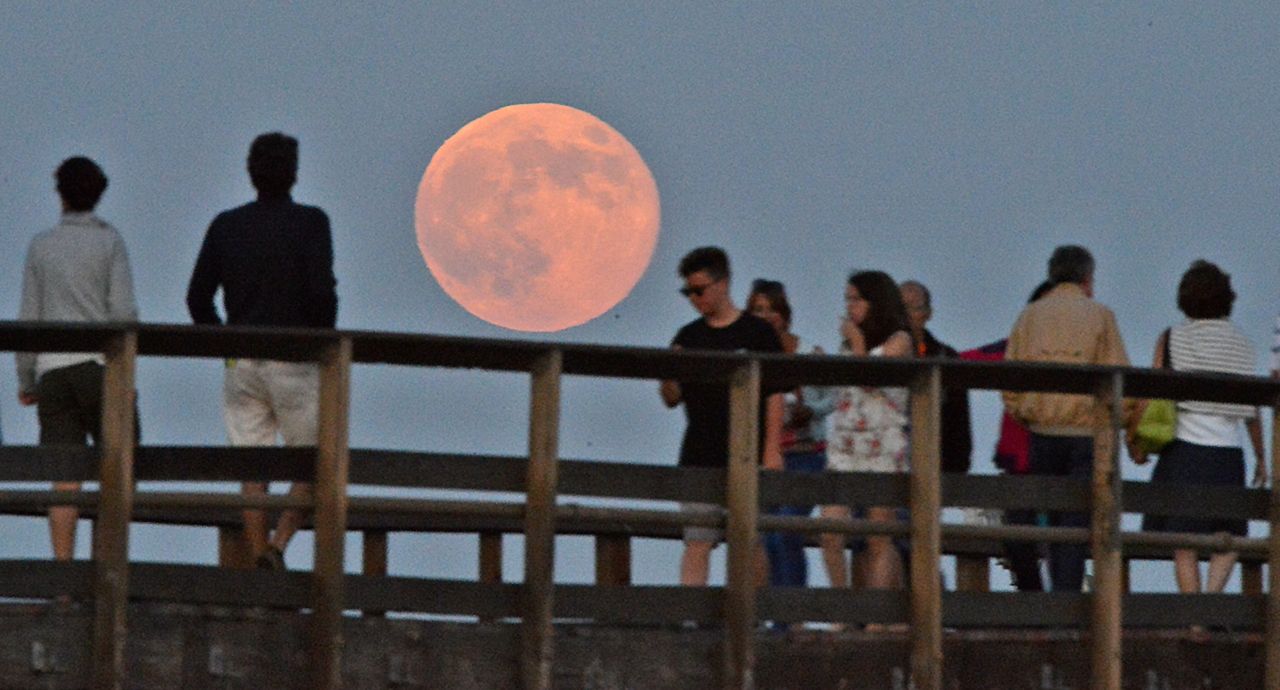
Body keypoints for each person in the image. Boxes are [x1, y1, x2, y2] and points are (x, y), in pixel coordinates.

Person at [186, 132, 338, 570]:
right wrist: (320, 339)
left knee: (252, 468)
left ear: (250, 172)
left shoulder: (226, 225)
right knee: (313, 461)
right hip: (297, 356)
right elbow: (321, 292)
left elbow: (198, 298)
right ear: (293, 173)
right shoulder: (312, 223)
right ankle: (278, 545)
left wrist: (223, 341)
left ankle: (255, 555)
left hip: (241, 360)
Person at [17, 156, 139, 561]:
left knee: (63, 479)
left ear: (60, 194)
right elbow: (123, 314)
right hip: (100, 367)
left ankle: (63, 578)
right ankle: (108, 568)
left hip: (52, 371)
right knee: (117, 469)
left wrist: (26, 380)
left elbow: (29, 317)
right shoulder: (110, 242)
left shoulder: (42, 245)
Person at [1002, 245, 1137, 592]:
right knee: (1075, 524)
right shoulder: (1100, 316)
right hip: (1086, 434)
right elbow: (1119, 377)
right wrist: (1120, 424)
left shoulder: (1029, 316)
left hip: (1040, 432)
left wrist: (1027, 412)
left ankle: (1037, 598)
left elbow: (1009, 379)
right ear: (1088, 278)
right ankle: (1066, 602)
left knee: (1040, 519)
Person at [1135, 260, 1266, 594]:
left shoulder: (1172, 337)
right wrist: (1261, 457)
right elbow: (1252, 410)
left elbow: (1152, 391)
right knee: (1231, 538)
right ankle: (1211, 601)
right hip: (1228, 453)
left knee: (1184, 542)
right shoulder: (1242, 345)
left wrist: (1136, 438)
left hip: (1184, 452)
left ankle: (1195, 618)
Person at [660, 247, 784, 587]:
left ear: (722, 283)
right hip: (699, 452)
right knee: (698, 539)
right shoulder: (688, 337)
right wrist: (670, 372)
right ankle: (693, 621)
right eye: (688, 292)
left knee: (749, 539)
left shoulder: (758, 334)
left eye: (699, 290)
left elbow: (775, 392)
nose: (694, 299)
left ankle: (751, 619)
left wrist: (772, 448)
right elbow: (671, 398)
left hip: (748, 450)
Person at [822, 270, 914, 593]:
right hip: (846, 446)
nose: (850, 307)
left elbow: (870, 377)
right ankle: (841, 612)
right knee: (830, 532)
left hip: (882, 448)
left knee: (879, 537)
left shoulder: (899, 340)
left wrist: (858, 342)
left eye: (856, 299)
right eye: (847, 299)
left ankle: (876, 619)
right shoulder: (849, 343)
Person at [959, 280, 1054, 592]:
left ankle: (1045, 610)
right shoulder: (1014, 347)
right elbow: (966, 361)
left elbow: (966, 361)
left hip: (1056, 463)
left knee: (1053, 541)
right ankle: (1037, 607)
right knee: (1021, 540)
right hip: (1022, 466)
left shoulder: (1015, 348)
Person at [747, 279, 832, 588]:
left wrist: (809, 409)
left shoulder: (810, 351)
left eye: (772, 309)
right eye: (758, 309)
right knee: (766, 536)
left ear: (784, 313)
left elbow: (832, 398)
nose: (766, 316)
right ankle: (775, 616)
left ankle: (792, 614)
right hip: (766, 454)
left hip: (807, 454)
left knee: (786, 531)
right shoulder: (748, 356)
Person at [899, 280, 972, 473]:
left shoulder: (946, 357)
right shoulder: (876, 354)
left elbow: (958, 420)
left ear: (928, 314)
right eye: (899, 307)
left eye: (912, 308)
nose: (905, 315)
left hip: (931, 462)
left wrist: (958, 468)